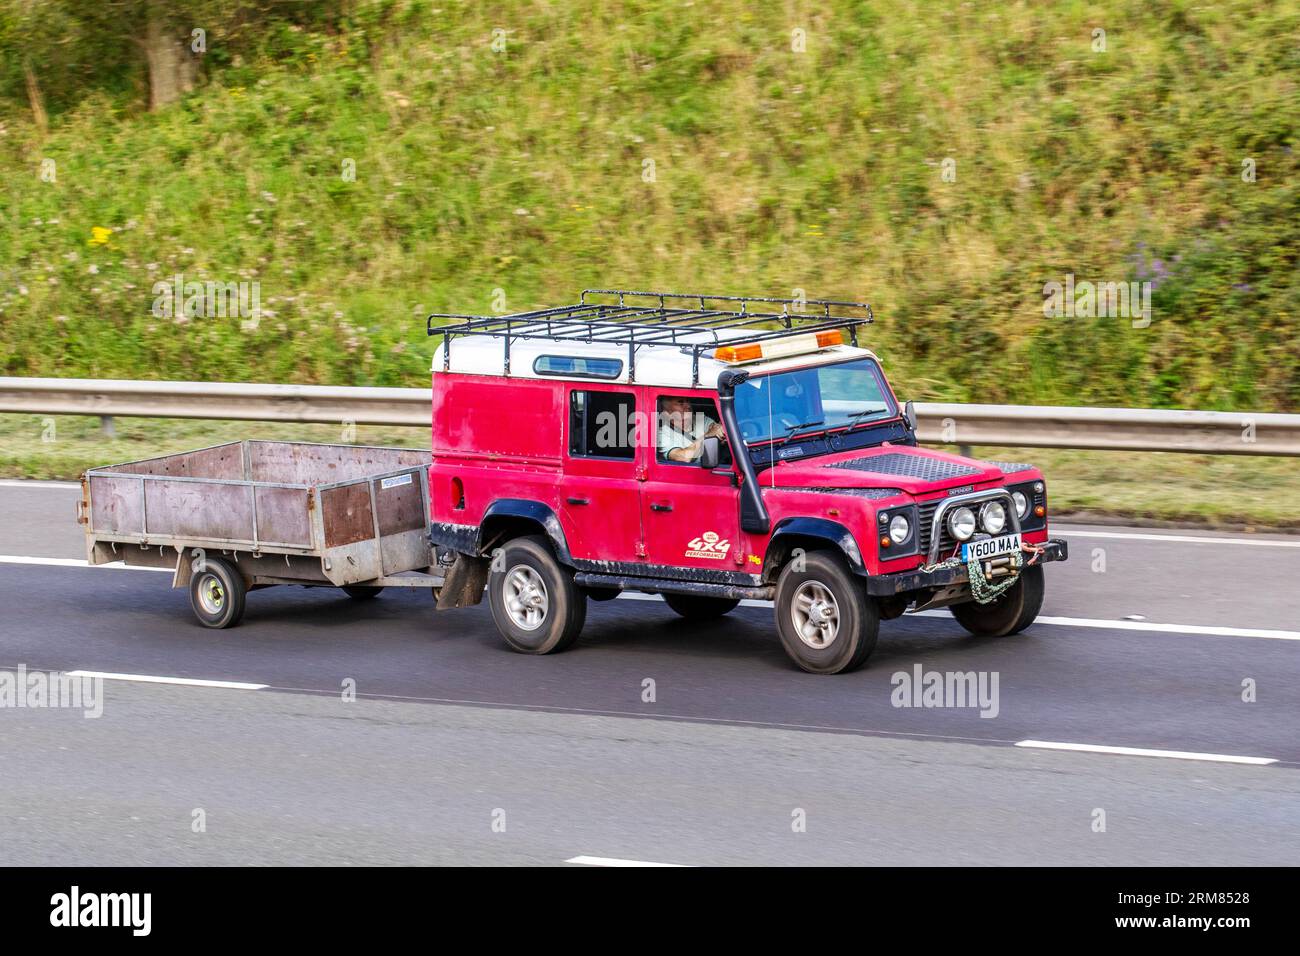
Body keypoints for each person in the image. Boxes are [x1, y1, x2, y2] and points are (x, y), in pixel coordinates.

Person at [658, 396, 726, 463]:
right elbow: (684, 458)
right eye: (681, 402)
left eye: (688, 401)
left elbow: (717, 429)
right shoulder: (662, 434)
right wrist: (708, 435)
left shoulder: (700, 419)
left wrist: (720, 433)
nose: (688, 406)